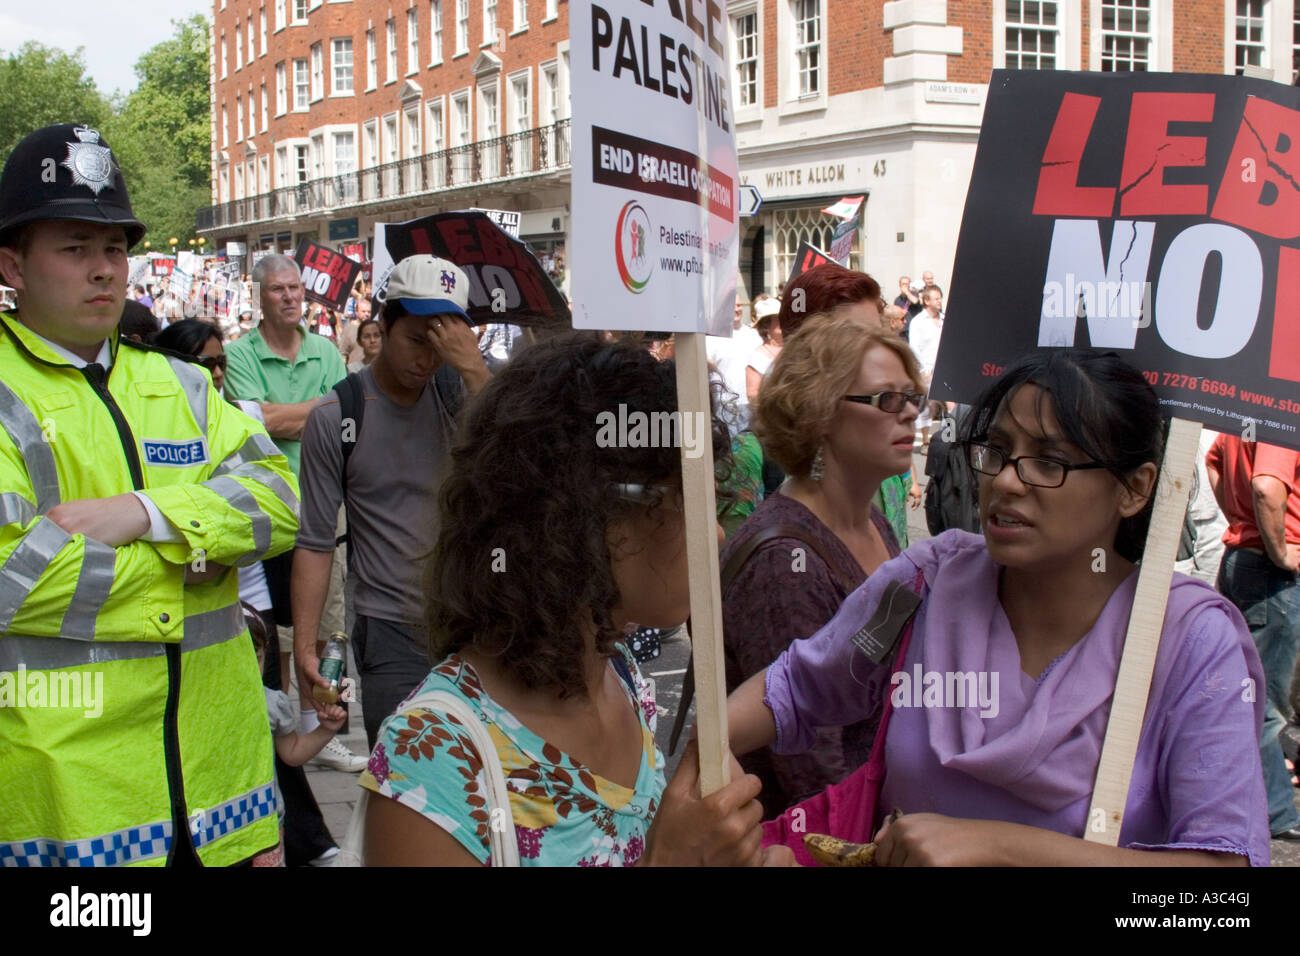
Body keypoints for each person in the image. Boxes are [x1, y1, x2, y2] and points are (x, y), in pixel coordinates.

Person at [728, 349, 1269, 865]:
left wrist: (997, 848)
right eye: (997, 451)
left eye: (1050, 461)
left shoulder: (1190, 641)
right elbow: (796, 688)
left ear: (1133, 488)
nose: (1007, 480)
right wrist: (704, 757)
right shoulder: (924, 584)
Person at [361, 333, 790, 866]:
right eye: (687, 498)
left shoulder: (620, 672)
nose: (718, 534)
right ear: (595, 517)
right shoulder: (433, 761)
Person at [0, 123, 299, 866]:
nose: (104, 270)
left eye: (114, 248)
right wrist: (200, 565)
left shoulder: (185, 384)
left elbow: (281, 501)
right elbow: (13, 578)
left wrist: (150, 514)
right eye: (74, 249)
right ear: (12, 264)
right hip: (74, 807)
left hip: (222, 796)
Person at [722, 313, 923, 817]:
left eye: (912, 397)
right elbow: (809, 758)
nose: (910, 414)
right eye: (887, 400)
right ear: (821, 415)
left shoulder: (873, 521)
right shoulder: (784, 561)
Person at [295, 256, 491, 751]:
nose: (427, 359)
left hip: (475, 623)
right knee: (405, 778)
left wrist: (473, 371)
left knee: (483, 781)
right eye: (416, 340)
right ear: (382, 325)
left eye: (441, 344)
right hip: (388, 629)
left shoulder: (468, 396)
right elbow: (316, 541)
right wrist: (304, 646)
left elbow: (528, 468)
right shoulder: (338, 415)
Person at [224, 256, 366, 782]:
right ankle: (286, 728)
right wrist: (315, 413)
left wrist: (279, 414)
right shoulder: (241, 353)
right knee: (276, 630)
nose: (289, 297)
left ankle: (330, 725)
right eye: (278, 289)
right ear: (259, 296)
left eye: (295, 288)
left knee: (334, 629)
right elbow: (249, 427)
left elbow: (342, 417)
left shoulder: (326, 349)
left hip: (325, 507)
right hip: (266, 510)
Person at [1206, 432, 1300, 841]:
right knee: (1265, 705)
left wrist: (1241, 523)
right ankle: (1277, 814)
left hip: (1247, 559)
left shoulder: (1242, 418)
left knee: (1254, 690)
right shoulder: (1280, 414)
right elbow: (1265, 486)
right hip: (1269, 568)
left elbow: (1213, 466)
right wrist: (1279, 549)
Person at [244, 606, 348, 867]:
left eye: (256, 657)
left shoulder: (271, 703)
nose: (249, 667)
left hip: (265, 817)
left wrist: (325, 730)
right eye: (238, 659)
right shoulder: (197, 705)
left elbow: (292, 753)